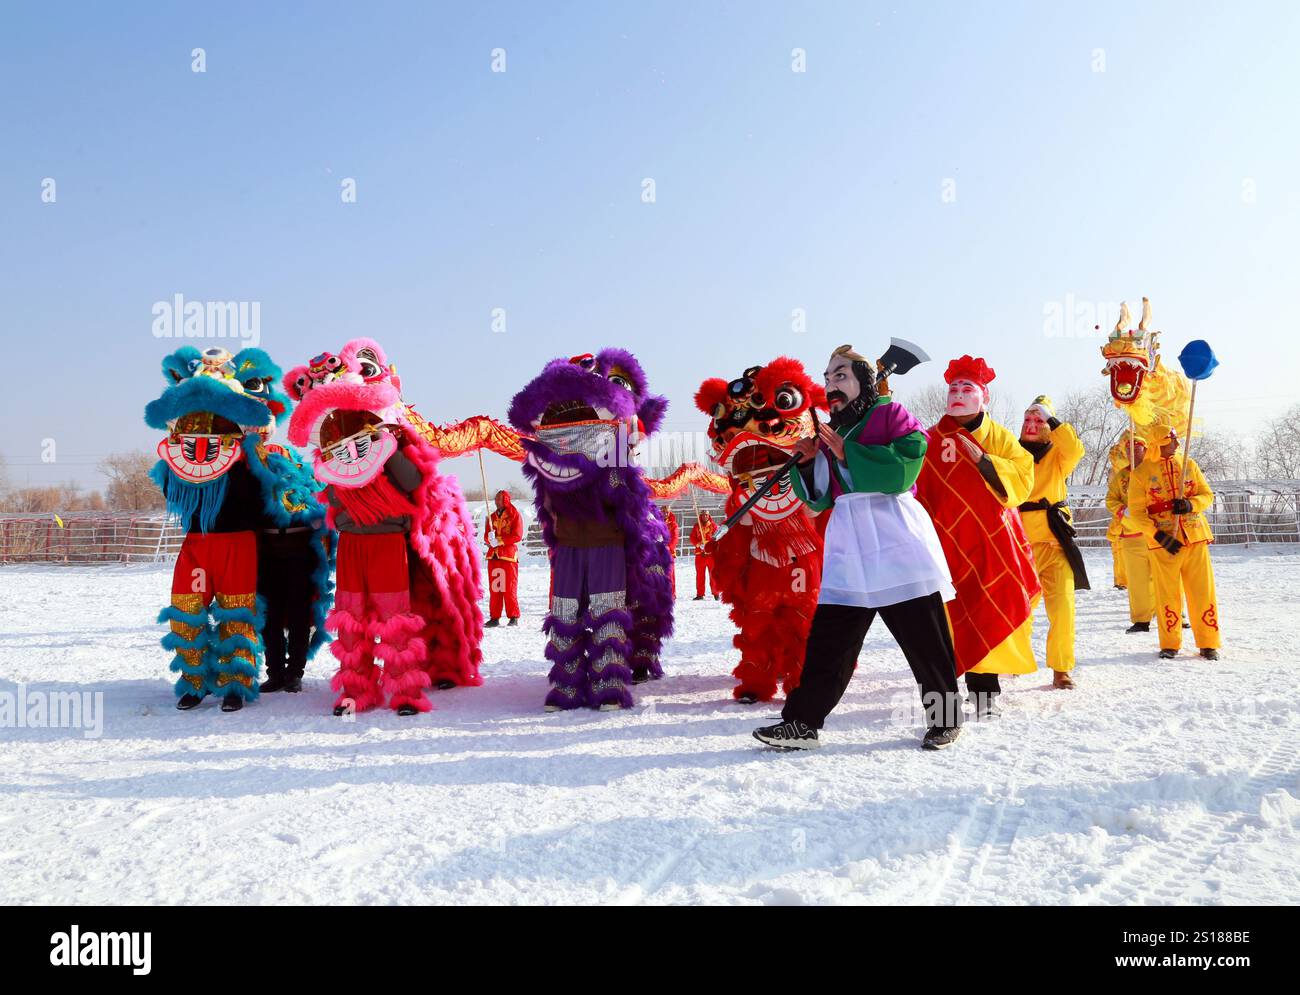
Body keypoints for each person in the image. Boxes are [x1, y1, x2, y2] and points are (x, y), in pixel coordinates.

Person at [752, 344, 961, 751]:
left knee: (925, 636)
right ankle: (801, 722)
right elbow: (820, 499)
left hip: (894, 534)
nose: (831, 384)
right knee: (831, 637)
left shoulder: (891, 414)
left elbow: (908, 464)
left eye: (841, 375)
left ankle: (946, 718)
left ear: (865, 382)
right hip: (850, 538)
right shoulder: (830, 431)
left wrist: (849, 453)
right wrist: (811, 461)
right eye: (828, 377)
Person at [913, 356, 1039, 719]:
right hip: (944, 541)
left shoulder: (998, 436)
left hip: (992, 541)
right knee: (950, 615)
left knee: (988, 610)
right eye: (953, 388)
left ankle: (985, 692)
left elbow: (1022, 477)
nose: (958, 394)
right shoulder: (930, 438)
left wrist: (986, 462)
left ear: (983, 396)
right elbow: (917, 485)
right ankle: (945, 690)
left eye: (967, 388)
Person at [1127, 429, 1221, 659]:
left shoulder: (1189, 463)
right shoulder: (1140, 474)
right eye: (1172, 439)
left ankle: (1208, 643)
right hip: (1163, 542)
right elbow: (1137, 513)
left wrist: (1191, 505)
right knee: (1166, 592)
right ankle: (1170, 643)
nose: (1178, 442)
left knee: (1202, 591)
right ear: (1160, 442)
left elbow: (1206, 494)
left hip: (1195, 536)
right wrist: (1156, 535)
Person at [1017, 395, 1089, 689]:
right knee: (1020, 609)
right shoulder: (1013, 454)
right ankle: (1014, 659)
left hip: (1055, 544)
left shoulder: (1059, 456)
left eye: (1039, 420)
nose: (1032, 425)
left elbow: (1076, 448)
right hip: (1021, 544)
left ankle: (1061, 668)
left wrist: (1052, 417)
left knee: (1062, 609)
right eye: (1028, 419)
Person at [1106, 433, 1156, 634]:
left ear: (1145, 449)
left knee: (1165, 577)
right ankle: (1141, 620)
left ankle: (1174, 614)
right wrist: (1121, 511)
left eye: (1136, 448)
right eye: (1128, 449)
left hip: (1156, 533)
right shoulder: (1121, 476)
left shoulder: (1155, 470)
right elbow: (1111, 499)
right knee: (1137, 581)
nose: (1132, 452)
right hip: (1130, 535)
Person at [485, 489, 523, 627]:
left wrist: (500, 541)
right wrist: (489, 539)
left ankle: (513, 616)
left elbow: (517, 535)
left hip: (508, 556)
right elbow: (486, 535)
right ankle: (494, 617)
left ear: (506, 500)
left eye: (499, 499)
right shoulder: (491, 517)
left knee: (509, 587)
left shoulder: (514, 516)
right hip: (494, 557)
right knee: (495, 588)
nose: (496, 501)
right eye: (495, 499)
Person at [690, 510, 720, 600]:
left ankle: (716, 593)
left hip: (711, 555)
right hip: (700, 555)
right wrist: (698, 544)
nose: (705, 516)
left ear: (709, 516)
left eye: (706, 515)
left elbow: (717, 538)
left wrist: (708, 543)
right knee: (700, 575)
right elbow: (692, 537)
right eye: (703, 515)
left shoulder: (713, 526)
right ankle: (700, 594)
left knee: (713, 575)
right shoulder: (696, 526)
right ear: (701, 516)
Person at [663, 507, 680, 598]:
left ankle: (672, 594)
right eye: (663, 512)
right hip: (659, 552)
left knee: (670, 574)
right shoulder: (658, 523)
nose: (665, 514)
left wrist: (669, 547)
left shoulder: (673, 525)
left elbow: (675, 538)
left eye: (667, 512)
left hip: (669, 553)